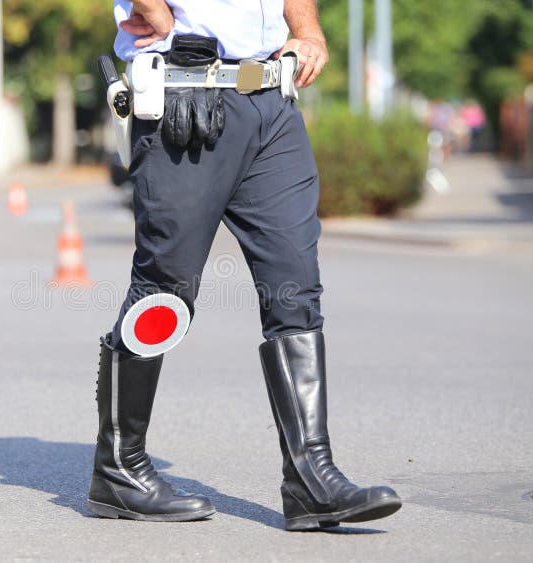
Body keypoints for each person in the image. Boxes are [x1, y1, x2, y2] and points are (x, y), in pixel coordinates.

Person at [87, 0, 402, 531]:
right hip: (185, 95)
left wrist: (307, 30)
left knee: (294, 286)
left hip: (272, 103)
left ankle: (311, 478)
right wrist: (158, 16)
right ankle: (119, 468)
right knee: (164, 293)